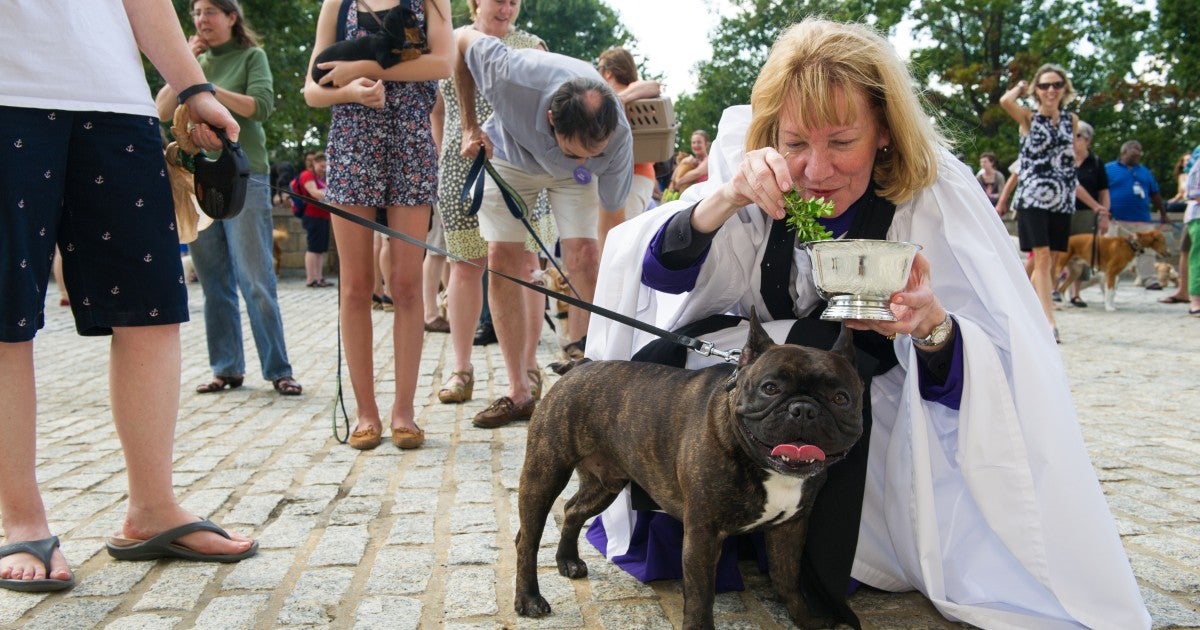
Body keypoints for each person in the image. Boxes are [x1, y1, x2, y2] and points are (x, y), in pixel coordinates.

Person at [585, 19, 1149, 629]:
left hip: (866, 394)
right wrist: (722, 201)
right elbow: (659, 274)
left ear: (884, 131)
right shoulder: (756, 175)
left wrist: (930, 324)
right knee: (671, 368)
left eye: (842, 142)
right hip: (752, 379)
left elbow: (996, 360)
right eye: (796, 142)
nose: (817, 169)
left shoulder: (934, 200)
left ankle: (812, 561)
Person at [1, 0, 258, 593]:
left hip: (115, 99)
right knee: (7, 315)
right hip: (8, 93)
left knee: (153, 310)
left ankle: (152, 509)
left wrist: (193, 88)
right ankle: (21, 516)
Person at [453, 27, 633, 428]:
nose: (585, 161)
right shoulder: (510, 73)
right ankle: (519, 390)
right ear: (552, 119)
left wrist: (613, 286)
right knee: (503, 258)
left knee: (586, 257)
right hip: (511, 156)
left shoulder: (617, 136)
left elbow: (614, 231)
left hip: (572, 184)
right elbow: (462, 39)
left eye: (594, 154)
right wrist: (469, 125)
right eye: (576, 152)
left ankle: (608, 379)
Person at [303, 0, 454, 450]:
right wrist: (350, 91)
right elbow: (313, 89)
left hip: (410, 141)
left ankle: (404, 412)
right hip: (352, 144)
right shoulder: (339, 3)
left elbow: (442, 62)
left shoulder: (431, 2)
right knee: (355, 285)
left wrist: (366, 67)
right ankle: (366, 413)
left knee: (407, 285)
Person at [156, 0, 302, 397]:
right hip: (196, 176)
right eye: (196, 13)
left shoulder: (252, 56)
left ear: (231, 17)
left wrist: (204, 90)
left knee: (255, 278)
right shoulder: (190, 60)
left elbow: (261, 107)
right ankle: (227, 368)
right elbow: (161, 109)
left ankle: (279, 369)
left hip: (244, 175)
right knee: (213, 280)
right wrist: (184, 65)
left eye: (210, 12)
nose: (202, 20)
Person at [431, 0, 548, 406]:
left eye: (514, 1)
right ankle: (461, 368)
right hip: (459, 166)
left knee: (527, 266)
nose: (507, 7)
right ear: (476, 2)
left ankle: (528, 368)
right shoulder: (448, 42)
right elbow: (438, 110)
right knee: (464, 266)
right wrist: (445, 151)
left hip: (521, 170)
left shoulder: (530, 44)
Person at [1000, 63, 1078, 342]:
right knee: (1042, 258)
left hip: (1062, 198)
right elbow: (1004, 101)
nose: (1051, 90)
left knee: (1052, 261)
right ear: (1037, 90)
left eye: (1056, 84)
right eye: (1044, 85)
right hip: (1034, 195)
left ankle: (1013, 300)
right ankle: (1048, 321)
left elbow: (1070, 160)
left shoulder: (1072, 120)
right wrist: (1021, 88)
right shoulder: (1029, 118)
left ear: (1064, 88)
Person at [597, 46, 662, 251]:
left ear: (607, 72)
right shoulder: (597, 97)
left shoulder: (635, 91)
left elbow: (654, 86)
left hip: (635, 174)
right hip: (606, 176)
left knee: (621, 239)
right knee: (604, 240)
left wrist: (619, 100)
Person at [1106, 140, 1169, 289]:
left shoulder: (1145, 172)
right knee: (1110, 248)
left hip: (1141, 219)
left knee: (1147, 250)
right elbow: (1100, 190)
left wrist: (1163, 213)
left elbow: (1155, 193)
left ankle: (1149, 279)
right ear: (1124, 151)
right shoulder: (1108, 169)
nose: (1138, 152)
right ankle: (1108, 276)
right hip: (1116, 218)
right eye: (1134, 149)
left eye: (1140, 150)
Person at [1066, 121, 1110, 307]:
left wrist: (1104, 215)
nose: (1073, 141)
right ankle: (1056, 289)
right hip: (1063, 210)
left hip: (1086, 213)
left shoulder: (1096, 163)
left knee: (1082, 254)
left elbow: (1104, 191)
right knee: (1059, 252)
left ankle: (1075, 293)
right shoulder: (1064, 159)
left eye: (1077, 137)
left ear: (1087, 140)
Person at [298, 151, 333, 288]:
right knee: (313, 248)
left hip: (323, 215)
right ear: (314, 163)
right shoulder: (307, 175)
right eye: (321, 166)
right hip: (312, 216)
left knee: (320, 249)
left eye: (326, 166)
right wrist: (334, 198)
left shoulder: (321, 177)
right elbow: (314, 193)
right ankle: (311, 278)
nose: (324, 169)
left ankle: (319, 278)